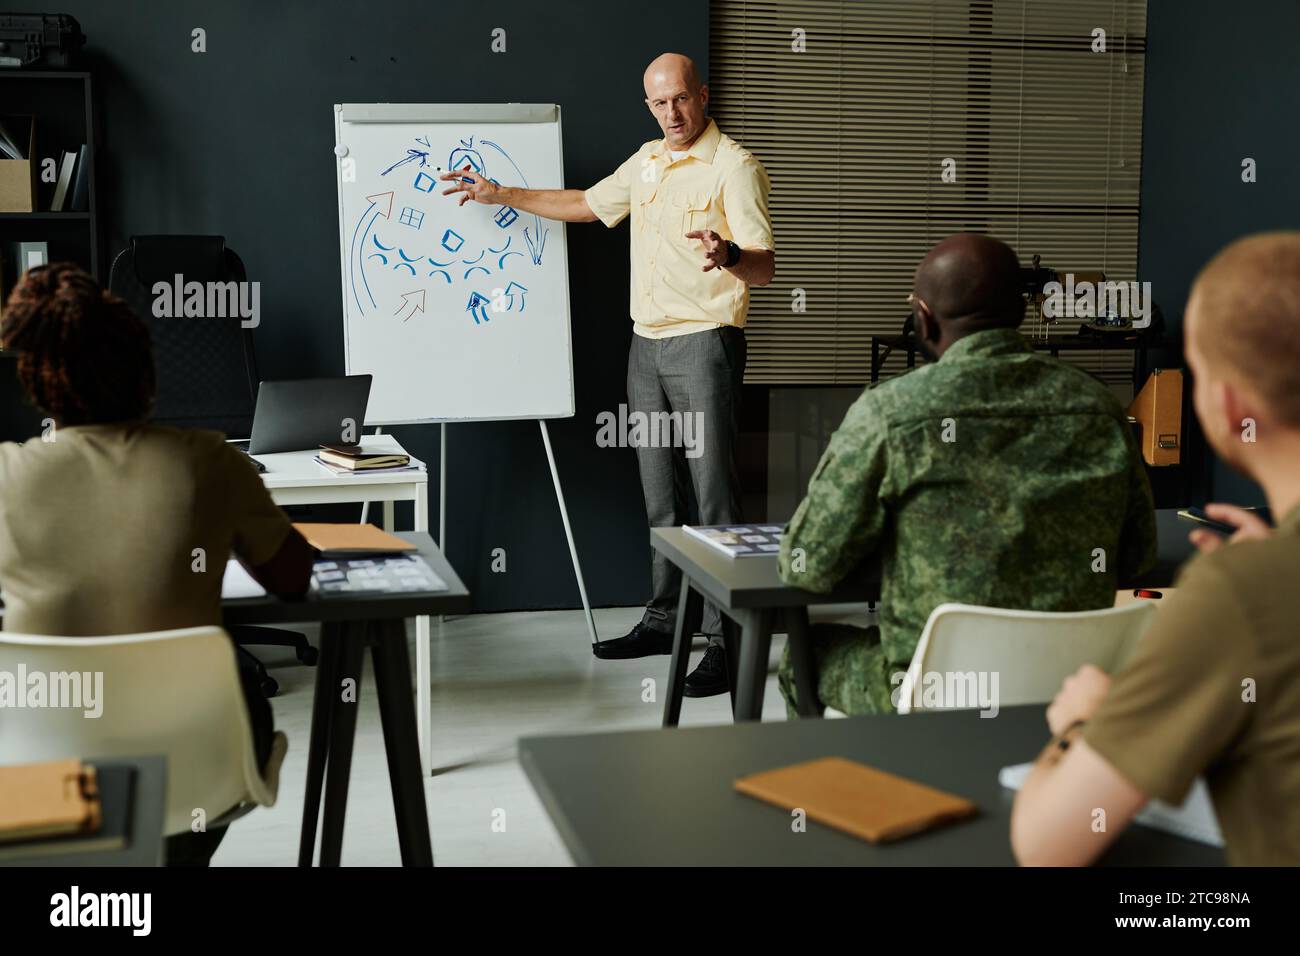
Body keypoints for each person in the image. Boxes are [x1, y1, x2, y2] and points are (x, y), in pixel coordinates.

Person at [440, 53, 774, 698]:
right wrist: (499, 195)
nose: (671, 114)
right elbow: (586, 205)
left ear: (702, 96)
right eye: (658, 103)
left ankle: (726, 642)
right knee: (660, 495)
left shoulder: (734, 165)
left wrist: (728, 254)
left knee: (713, 498)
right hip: (644, 347)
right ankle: (665, 617)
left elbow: (763, 268)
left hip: (704, 343)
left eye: (680, 99)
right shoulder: (647, 160)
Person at [0, 262, 316, 864]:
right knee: (239, 694)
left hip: (42, 764)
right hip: (194, 762)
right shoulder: (207, 460)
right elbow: (294, 577)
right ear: (145, 373)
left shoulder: (7, 475)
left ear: (37, 383)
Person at [1011, 232, 1300, 866]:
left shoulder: (1241, 593)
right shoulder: (1259, 587)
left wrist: (1085, 723)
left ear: (1225, 401)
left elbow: (1045, 846)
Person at [777, 234, 1156, 715]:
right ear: (1018, 313)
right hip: (1069, 686)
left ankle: (858, 790)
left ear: (923, 318)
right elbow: (1139, 556)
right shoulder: (1100, 407)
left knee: (802, 657)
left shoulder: (890, 412)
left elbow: (806, 565)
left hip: (929, 692)